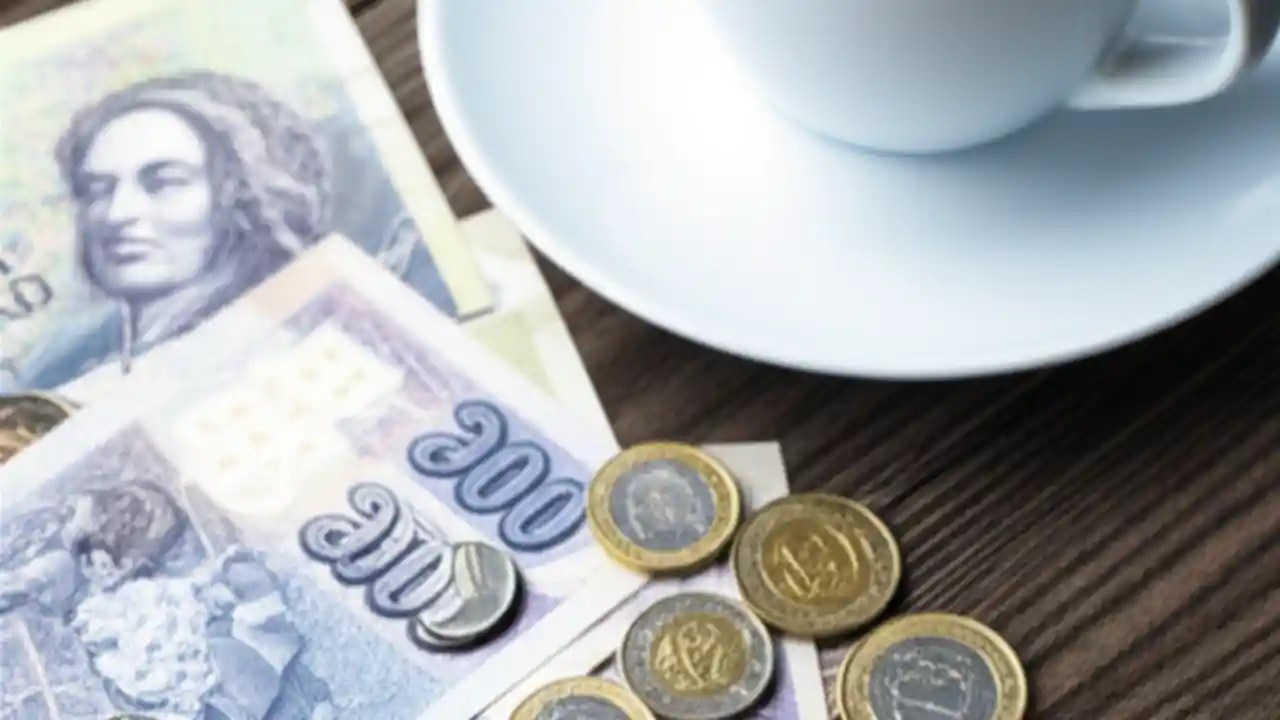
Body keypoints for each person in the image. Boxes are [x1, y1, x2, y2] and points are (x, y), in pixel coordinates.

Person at [25, 71, 332, 386]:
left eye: (164, 183)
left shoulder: (281, 350)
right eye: (98, 189)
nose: (117, 214)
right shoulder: (84, 378)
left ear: (237, 194)